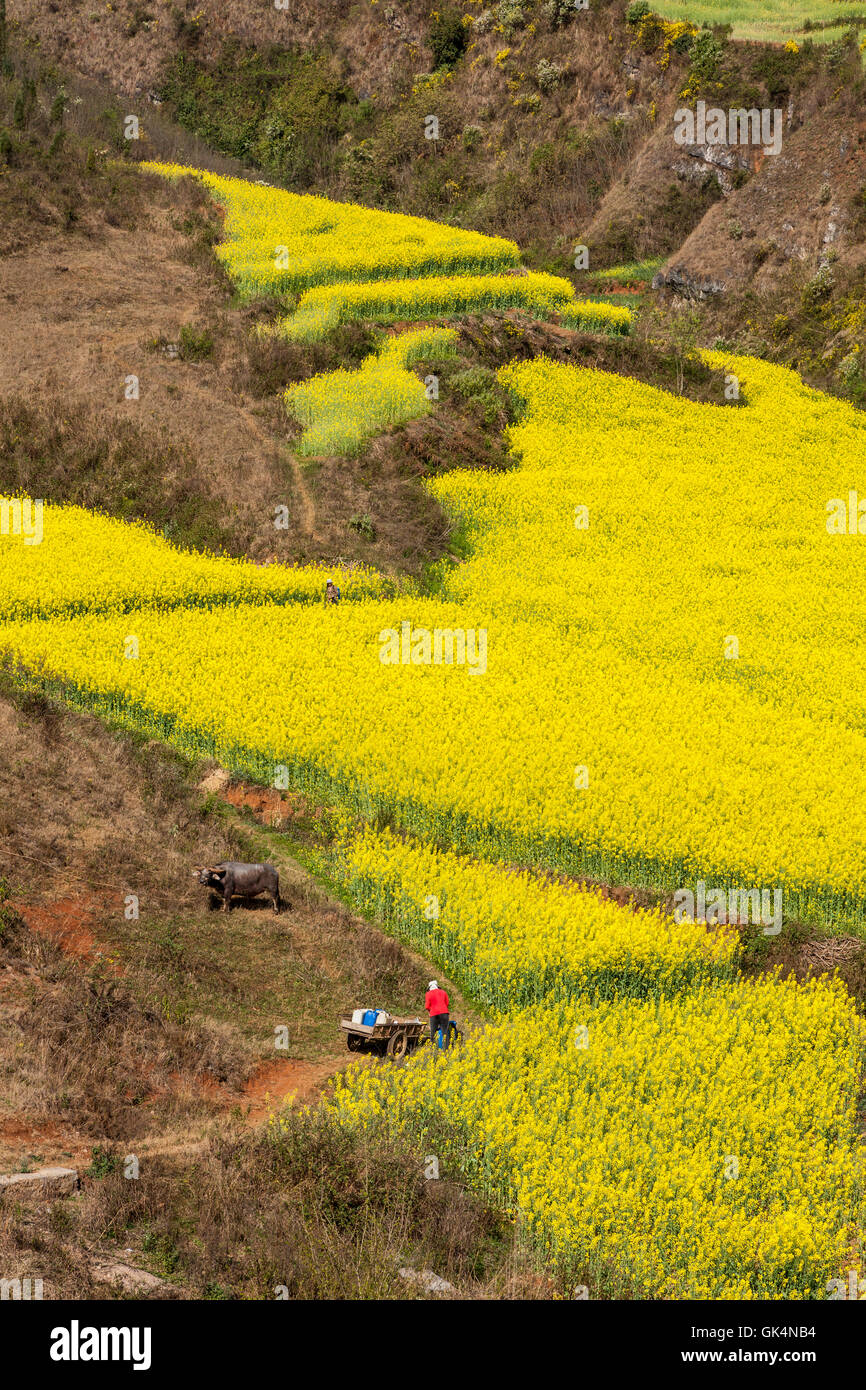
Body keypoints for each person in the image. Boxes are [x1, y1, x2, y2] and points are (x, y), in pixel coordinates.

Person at [424, 979, 450, 1051]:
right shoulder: (443, 992)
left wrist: (430, 1010)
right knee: (445, 1031)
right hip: (444, 1013)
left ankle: (433, 1049)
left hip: (433, 1014)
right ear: (437, 986)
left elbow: (427, 1006)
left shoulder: (428, 994)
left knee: (433, 1032)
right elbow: (447, 1003)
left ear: (429, 987)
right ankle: (446, 1049)